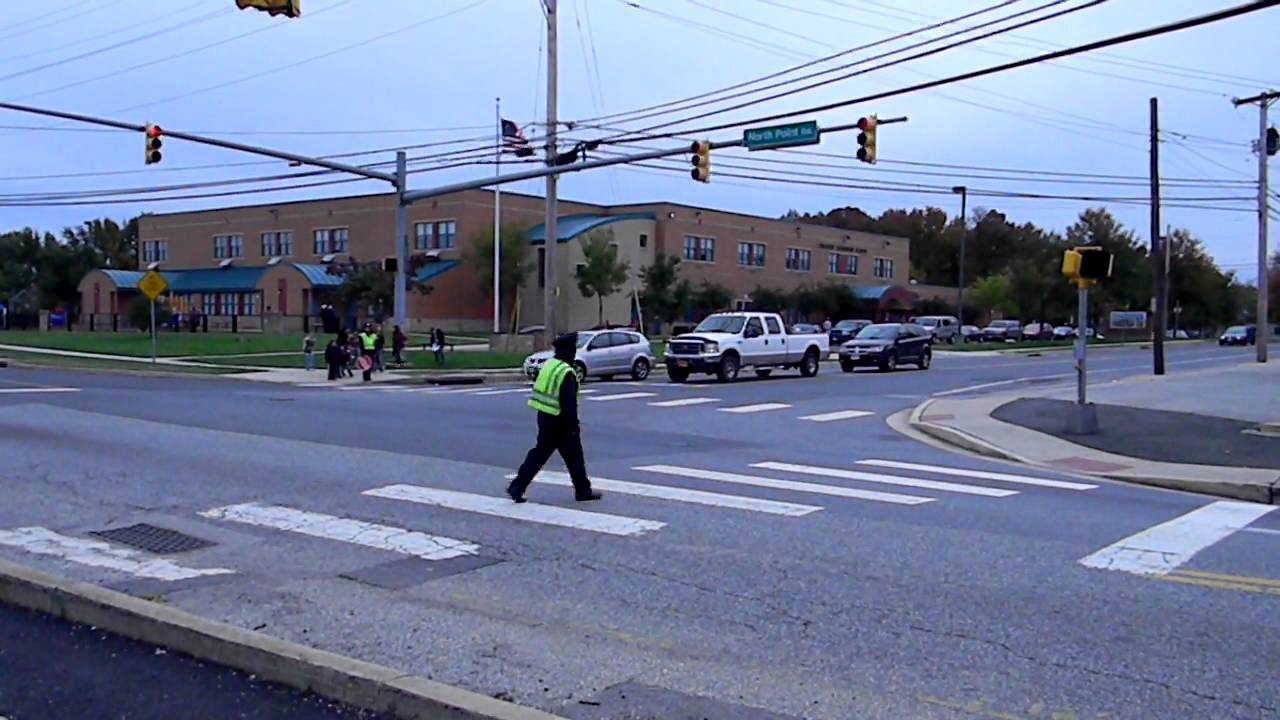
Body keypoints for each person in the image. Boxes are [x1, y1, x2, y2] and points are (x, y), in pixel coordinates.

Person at [507, 332, 601, 504]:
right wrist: (573, 427)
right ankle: (582, 491)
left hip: (544, 416)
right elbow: (568, 403)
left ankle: (517, 486)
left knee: (539, 455)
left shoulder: (549, 365)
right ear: (569, 351)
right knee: (574, 457)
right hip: (561, 421)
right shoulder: (566, 372)